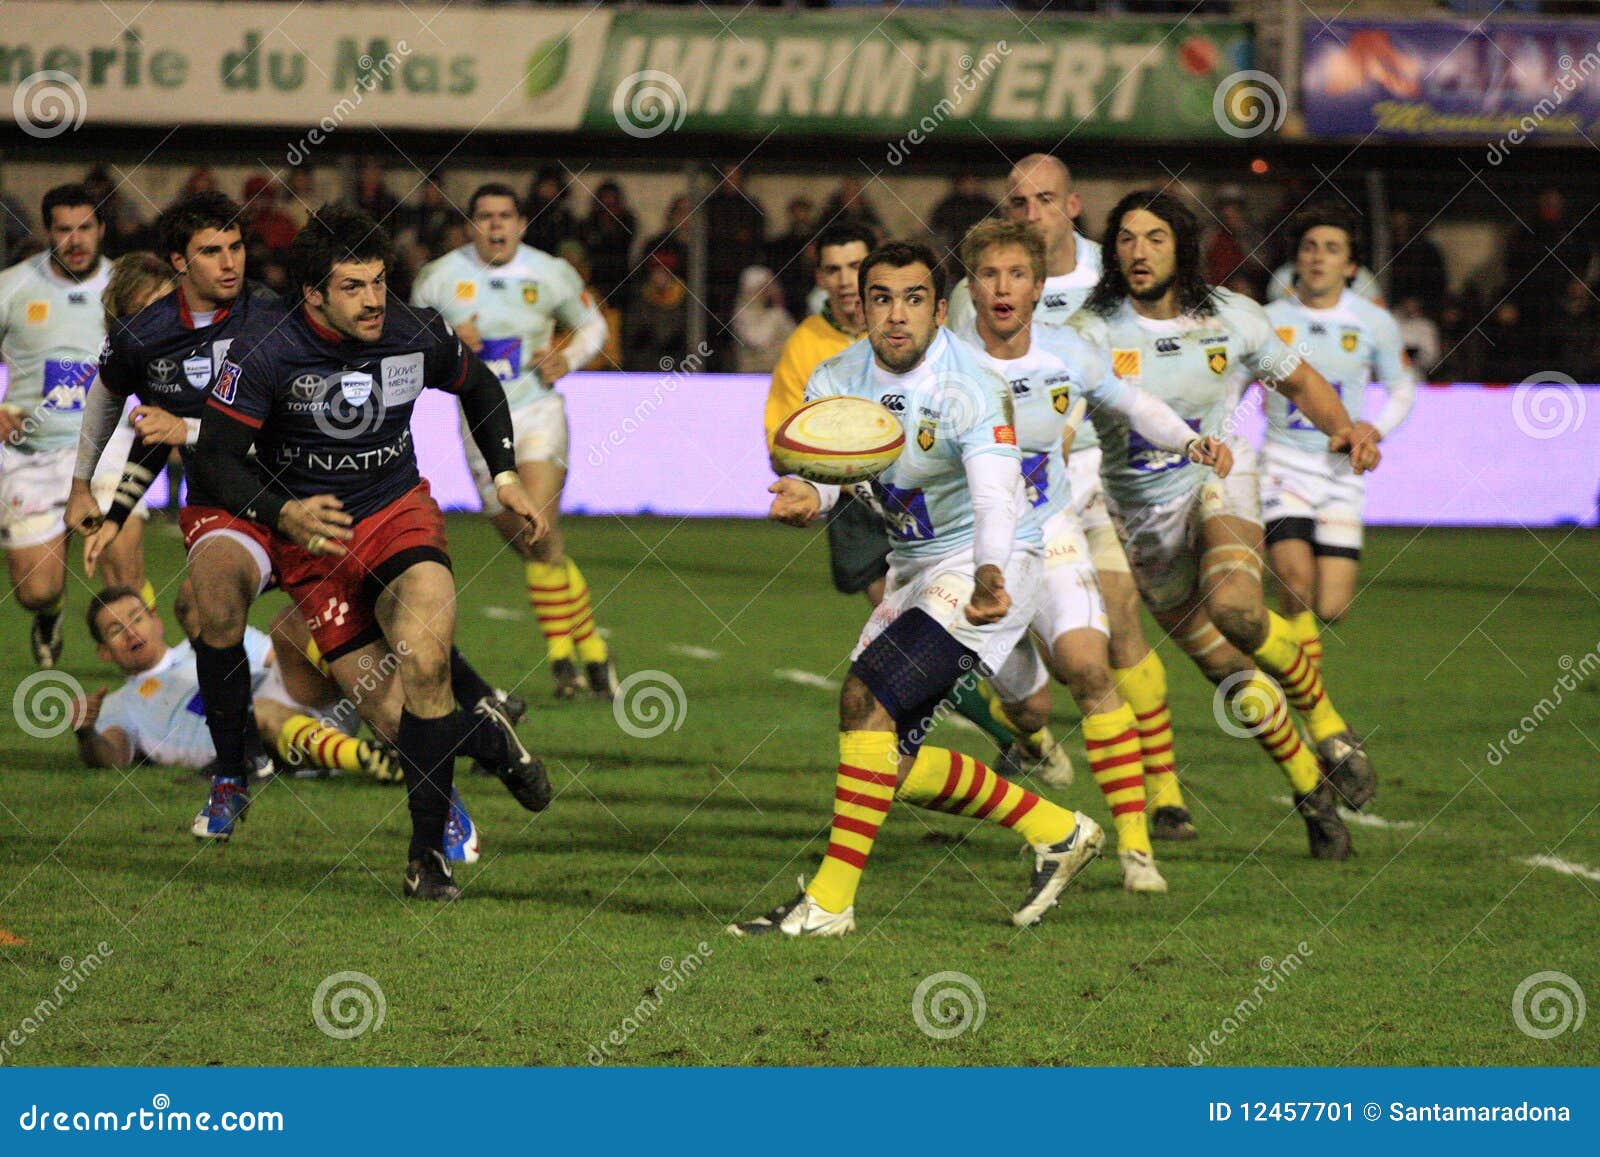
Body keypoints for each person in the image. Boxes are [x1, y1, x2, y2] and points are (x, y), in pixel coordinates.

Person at [730, 241, 1102, 937]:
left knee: (865, 696)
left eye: (913, 299)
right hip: (913, 566)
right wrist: (807, 492)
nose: (896, 314)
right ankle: (1057, 831)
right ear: (861, 305)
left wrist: (989, 572)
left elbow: (995, 497)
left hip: (987, 560)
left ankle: (829, 905)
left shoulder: (973, 385)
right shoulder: (836, 375)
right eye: (881, 298)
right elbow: (832, 468)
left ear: (938, 308)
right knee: (886, 761)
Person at [192, 205, 551, 900]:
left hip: (395, 514)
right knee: (392, 718)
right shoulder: (264, 351)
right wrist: (283, 513)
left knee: (426, 660)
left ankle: (426, 859)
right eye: (352, 286)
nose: (373, 300)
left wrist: (505, 475)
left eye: (379, 281)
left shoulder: (414, 332)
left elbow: (479, 384)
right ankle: (488, 739)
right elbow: (215, 459)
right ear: (313, 294)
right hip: (314, 542)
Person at [1075, 189, 1379, 858]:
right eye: (1126, 238)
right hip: (1138, 513)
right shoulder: (1090, 332)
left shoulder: (1232, 316)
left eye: (1154, 237)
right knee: (1230, 673)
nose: (1138, 251)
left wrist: (1343, 428)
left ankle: (1329, 726)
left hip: (1219, 477)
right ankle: (1311, 791)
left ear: (1182, 246)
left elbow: (1300, 382)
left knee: (1238, 609)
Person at [955, 219, 1232, 893]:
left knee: (1087, 664)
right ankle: (1028, 738)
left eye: (1017, 275)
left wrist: (1187, 441)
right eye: (989, 274)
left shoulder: (1068, 352)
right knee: (1031, 709)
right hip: (967, 549)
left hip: (1050, 534)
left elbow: (1135, 404)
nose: (1003, 288)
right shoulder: (946, 364)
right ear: (971, 287)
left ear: (1038, 287)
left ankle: (1136, 850)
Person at [950, 156, 1187, 836]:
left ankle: (1164, 794)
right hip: (1014, 486)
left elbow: (1144, 358)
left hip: (1098, 475)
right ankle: (1027, 727)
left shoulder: (1111, 275)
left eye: (1045, 200)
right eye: (1018, 203)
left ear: (1073, 205)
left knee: (1118, 628)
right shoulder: (976, 290)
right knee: (1047, 658)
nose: (1032, 214)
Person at [68, 191, 288, 839]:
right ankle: (237, 765)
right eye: (212, 251)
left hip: (300, 493)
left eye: (235, 247)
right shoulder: (149, 340)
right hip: (226, 506)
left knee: (368, 631)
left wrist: (182, 430)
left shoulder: (266, 319)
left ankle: (469, 722)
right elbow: (125, 412)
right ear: (179, 264)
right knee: (198, 604)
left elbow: (272, 426)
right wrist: (101, 501)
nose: (229, 262)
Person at [411, 183, 615, 700]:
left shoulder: (550, 272)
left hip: (537, 411)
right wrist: (447, 344)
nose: (495, 225)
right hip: (479, 422)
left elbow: (593, 327)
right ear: (469, 226)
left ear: (521, 224)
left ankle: (564, 663)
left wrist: (567, 358)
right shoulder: (437, 280)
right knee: (536, 546)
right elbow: (408, 347)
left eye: (505, 215)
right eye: (485, 216)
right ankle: (593, 649)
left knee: (536, 524)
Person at [1263, 210, 1415, 786]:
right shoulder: (1271, 319)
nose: (1318, 256)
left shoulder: (1372, 321)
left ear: (1350, 266)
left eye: (1331, 248)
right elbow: (1234, 380)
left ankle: (1279, 657)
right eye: (1309, 246)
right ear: (1297, 258)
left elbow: (1402, 388)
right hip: (1283, 463)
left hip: (1342, 471)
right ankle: (1318, 720)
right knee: (1294, 584)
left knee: (1331, 607)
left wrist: (1375, 429)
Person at [0, 184, 148, 668]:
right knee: (36, 590)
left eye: (85, 227)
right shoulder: (13, 286)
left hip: (107, 442)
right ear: (47, 232)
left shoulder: (126, 287)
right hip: (30, 449)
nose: (76, 240)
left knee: (122, 564)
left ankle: (144, 677)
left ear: (102, 229)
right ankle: (50, 614)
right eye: (64, 230)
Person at [622, 251, 689, 371]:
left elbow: (685, 331)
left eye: (663, 273)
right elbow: (632, 331)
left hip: (676, 360)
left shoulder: (684, 297)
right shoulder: (642, 297)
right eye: (655, 272)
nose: (658, 277)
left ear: (671, 275)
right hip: (647, 361)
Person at [731, 265, 795, 374]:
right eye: (765, 287)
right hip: (753, 376)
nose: (772, 290)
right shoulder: (742, 315)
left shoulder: (778, 314)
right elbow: (757, 342)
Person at [930, 175, 994, 254]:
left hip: (981, 247)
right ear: (958, 185)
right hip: (954, 249)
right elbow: (937, 229)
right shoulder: (948, 205)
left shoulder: (988, 205)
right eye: (966, 182)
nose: (970, 186)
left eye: (974, 182)